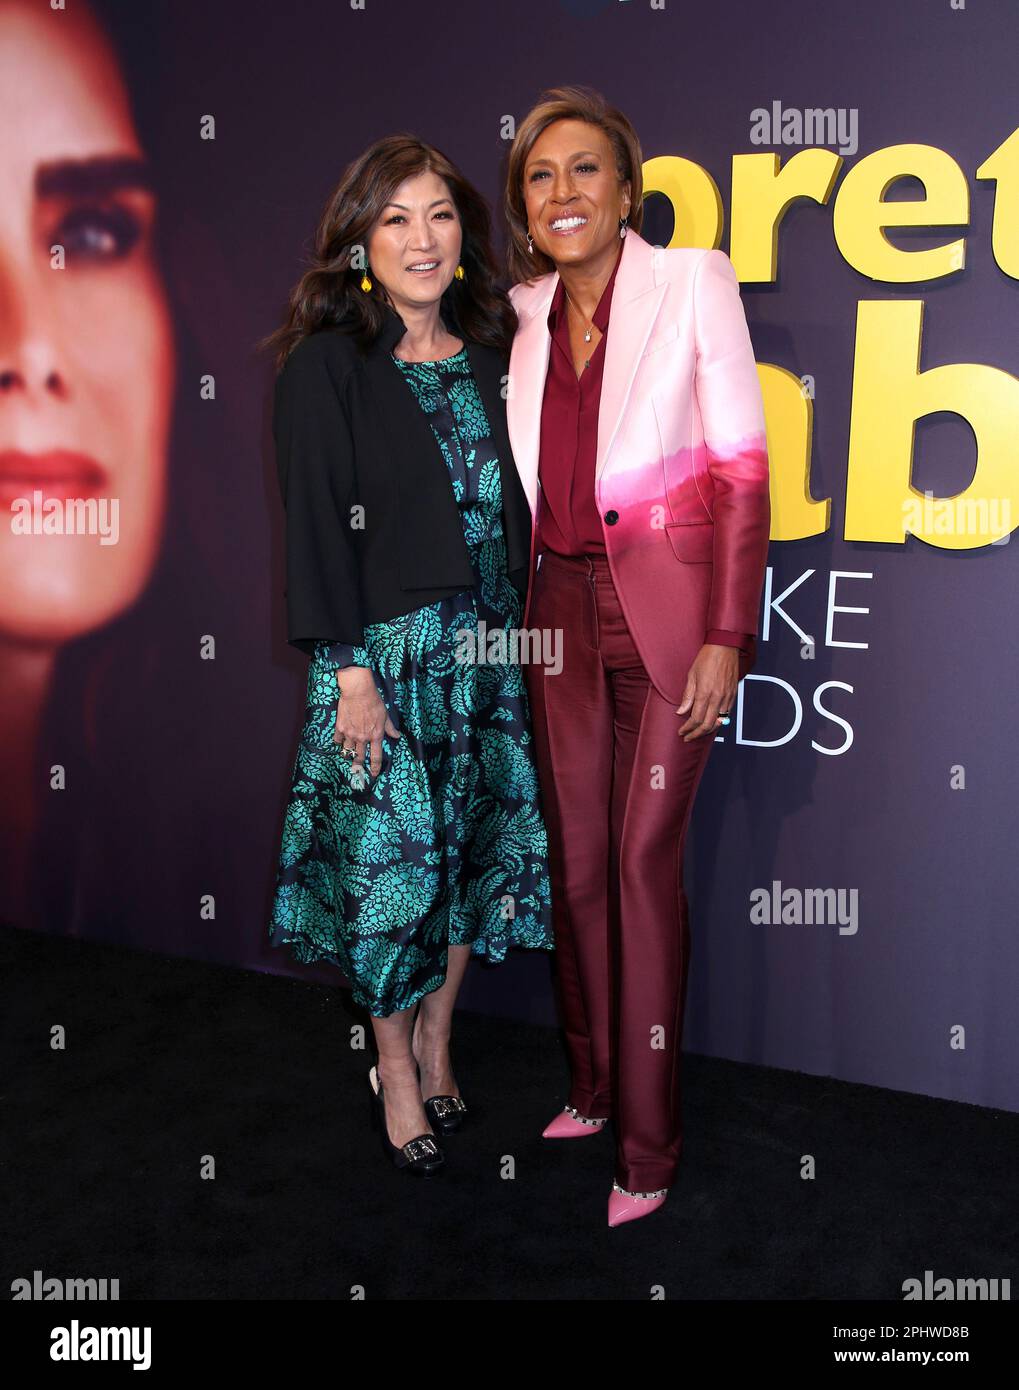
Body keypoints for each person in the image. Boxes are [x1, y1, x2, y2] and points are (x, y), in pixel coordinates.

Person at [504, 87, 771, 1225]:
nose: (562, 192)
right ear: (524, 207)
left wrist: (727, 632)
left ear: (625, 191)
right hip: (551, 615)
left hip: (662, 619)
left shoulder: (692, 282)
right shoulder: (520, 317)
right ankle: (593, 1082)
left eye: (583, 170)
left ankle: (648, 1151)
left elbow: (741, 472)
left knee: (637, 866)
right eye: (538, 175)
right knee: (572, 867)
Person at [264, 135, 554, 1176]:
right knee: (392, 874)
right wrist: (346, 669)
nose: (420, 238)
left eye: (436, 215)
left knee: (473, 861)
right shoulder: (325, 367)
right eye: (394, 218)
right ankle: (391, 1064)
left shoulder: (494, 359)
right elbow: (311, 526)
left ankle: (438, 1039)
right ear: (358, 243)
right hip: (380, 664)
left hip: (486, 657)